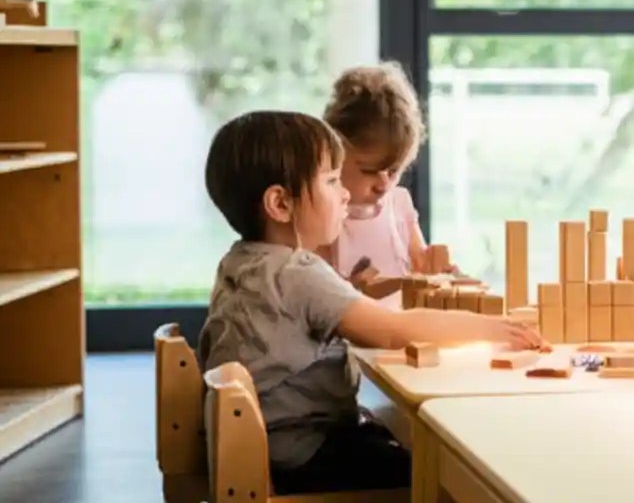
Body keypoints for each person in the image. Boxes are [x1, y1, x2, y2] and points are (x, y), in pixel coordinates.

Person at [198, 110, 542, 494]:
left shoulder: (239, 262)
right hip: (306, 456)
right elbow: (393, 331)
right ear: (280, 204)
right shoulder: (298, 271)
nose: (344, 192)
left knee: (392, 434)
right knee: (444, 475)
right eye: (330, 180)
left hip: (269, 447)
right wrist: (488, 328)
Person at [322, 62, 448, 305]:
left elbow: (421, 270)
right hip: (350, 340)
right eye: (369, 171)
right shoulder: (323, 214)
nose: (383, 185)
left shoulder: (399, 204)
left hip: (399, 337)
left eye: (394, 170)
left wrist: (436, 272)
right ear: (332, 152)